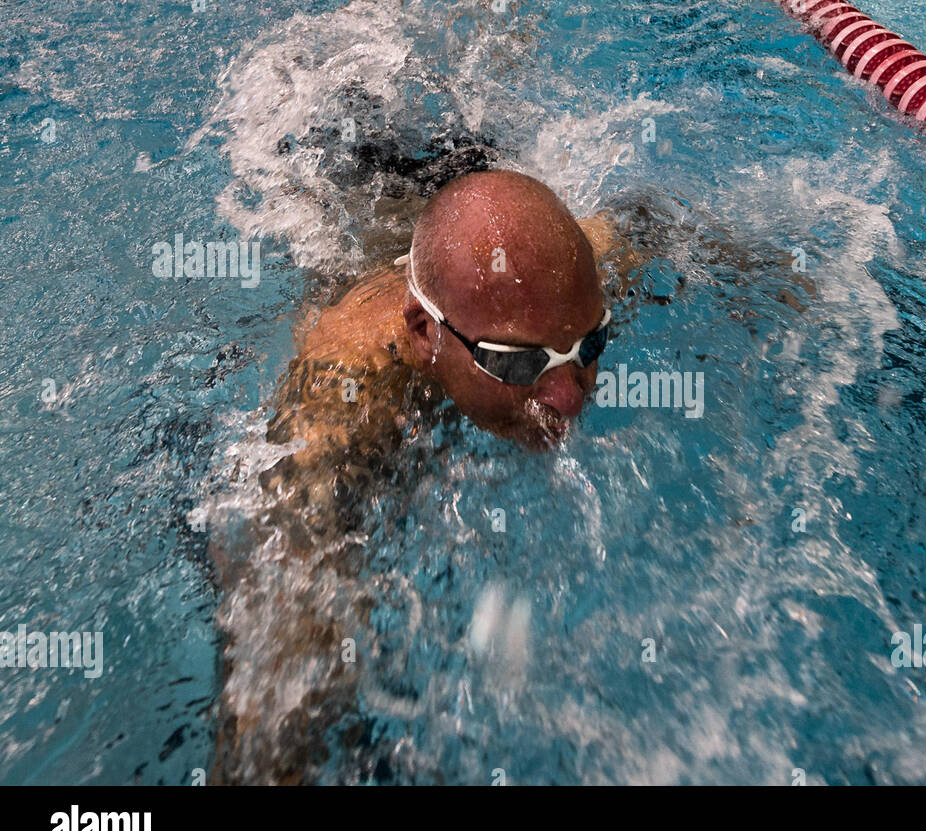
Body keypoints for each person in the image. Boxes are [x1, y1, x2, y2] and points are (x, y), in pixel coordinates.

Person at [210, 169, 622, 783]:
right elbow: (278, 664)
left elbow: (670, 230)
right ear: (424, 331)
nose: (565, 398)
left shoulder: (567, 284)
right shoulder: (344, 404)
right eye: (518, 363)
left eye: (590, 347)